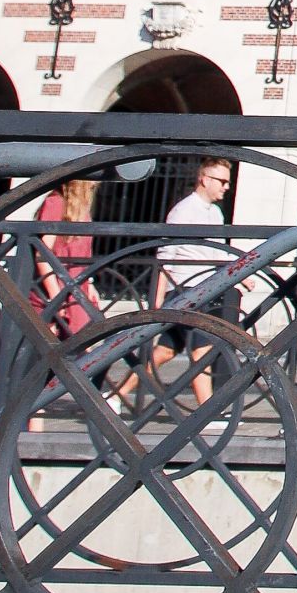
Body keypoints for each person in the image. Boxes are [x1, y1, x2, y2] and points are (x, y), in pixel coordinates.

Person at [120, 158, 234, 410]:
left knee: (166, 351)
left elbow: (216, 253)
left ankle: (117, 394)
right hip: (186, 289)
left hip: (203, 289)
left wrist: (238, 272)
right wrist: (158, 299)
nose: (226, 186)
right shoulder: (183, 210)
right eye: (222, 181)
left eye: (228, 181)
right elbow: (165, 257)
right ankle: (206, 411)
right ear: (205, 179)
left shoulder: (214, 213)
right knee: (201, 348)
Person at [27, 175, 107, 427]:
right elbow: (43, 254)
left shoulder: (80, 210)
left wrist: (91, 286)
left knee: (89, 349)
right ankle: (93, 408)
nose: (95, 187)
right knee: (57, 356)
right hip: (60, 293)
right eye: (92, 183)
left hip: (76, 291)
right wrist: (54, 296)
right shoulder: (55, 203)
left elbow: (84, 254)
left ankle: (93, 406)